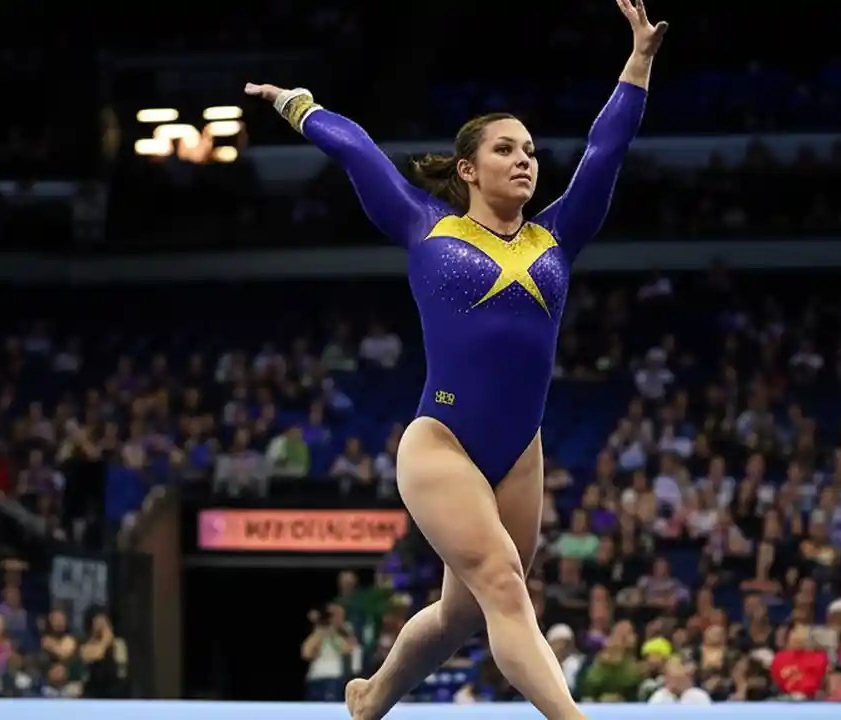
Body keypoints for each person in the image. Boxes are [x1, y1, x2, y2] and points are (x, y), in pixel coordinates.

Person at [246, 2, 666, 718]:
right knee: (504, 583)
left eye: (531, 150)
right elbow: (357, 150)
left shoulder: (557, 237)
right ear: (468, 168)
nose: (525, 159)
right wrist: (295, 104)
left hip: (521, 451)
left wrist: (639, 62)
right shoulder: (424, 224)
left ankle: (372, 696)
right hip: (440, 441)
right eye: (506, 149)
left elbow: (605, 153)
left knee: (463, 613)